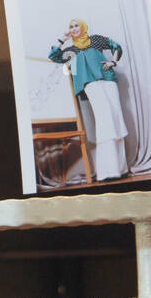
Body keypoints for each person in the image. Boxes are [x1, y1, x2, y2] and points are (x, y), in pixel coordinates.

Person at [48, 19, 129, 181]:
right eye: (71, 27)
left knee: (116, 117)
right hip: (90, 83)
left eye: (76, 25)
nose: (74, 28)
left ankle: (121, 168)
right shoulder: (71, 50)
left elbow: (116, 46)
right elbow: (54, 56)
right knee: (105, 119)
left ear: (83, 26)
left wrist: (113, 61)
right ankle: (108, 171)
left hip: (108, 79)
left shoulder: (95, 40)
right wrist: (62, 39)